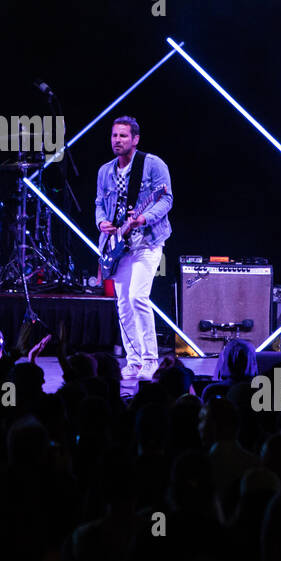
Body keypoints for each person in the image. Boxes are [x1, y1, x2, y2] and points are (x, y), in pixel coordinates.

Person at [95, 116, 173, 381]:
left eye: (123, 136)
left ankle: (151, 359)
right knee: (124, 304)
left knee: (139, 297)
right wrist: (102, 222)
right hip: (117, 246)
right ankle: (134, 360)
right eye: (114, 135)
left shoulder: (152, 165)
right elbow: (98, 204)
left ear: (135, 139)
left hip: (147, 242)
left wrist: (145, 217)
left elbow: (166, 199)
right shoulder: (105, 171)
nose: (117, 140)